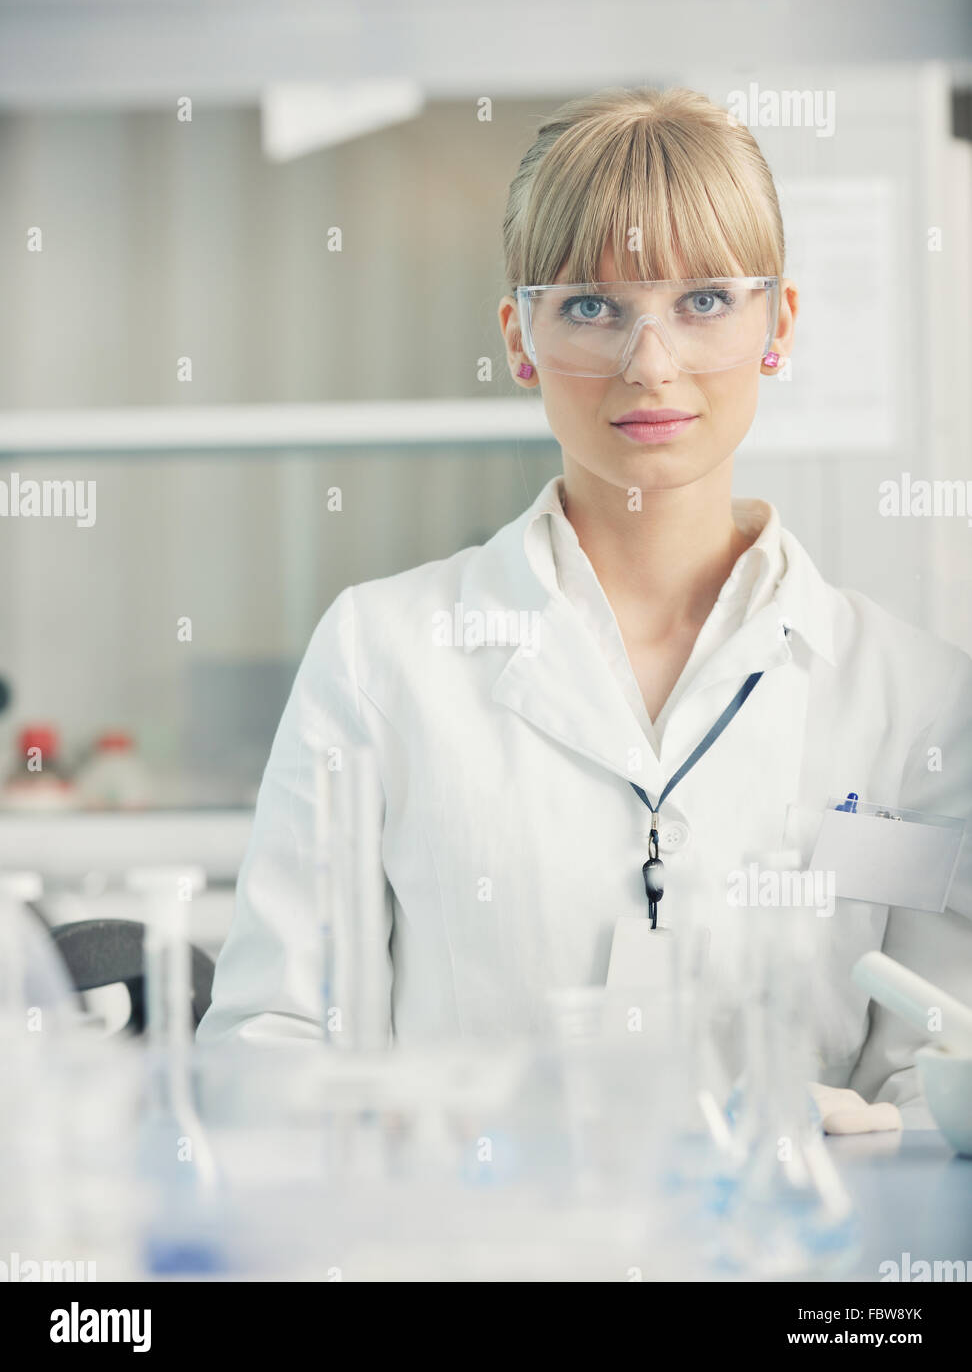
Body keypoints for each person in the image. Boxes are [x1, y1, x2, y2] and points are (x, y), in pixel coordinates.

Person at [196, 87, 972, 1132]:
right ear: (520, 338)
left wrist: (830, 1140)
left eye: (703, 300)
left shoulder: (919, 700)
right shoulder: (381, 657)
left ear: (777, 325)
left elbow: (944, 1070)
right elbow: (268, 1054)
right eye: (593, 307)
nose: (650, 363)